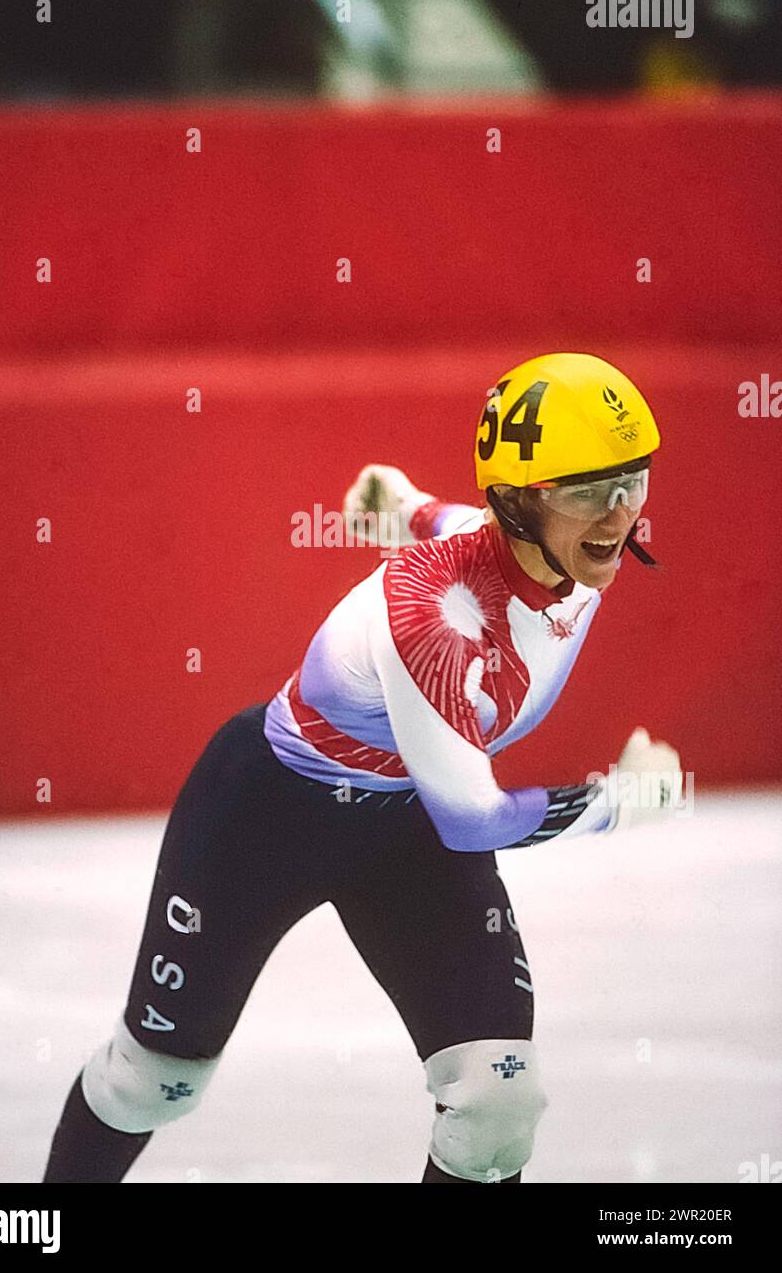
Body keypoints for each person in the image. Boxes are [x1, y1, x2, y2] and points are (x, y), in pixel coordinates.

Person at [42, 351, 681, 1184]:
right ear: (522, 500)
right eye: (592, 489)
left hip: (403, 831)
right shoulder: (431, 616)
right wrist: (613, 800)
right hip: (268, 817)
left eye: (633, 479)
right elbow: (471, 818)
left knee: (495, 1104)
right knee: (152, 1083)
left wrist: (401, 503)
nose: (622, 513)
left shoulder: (557, 546)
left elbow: (454, 520)